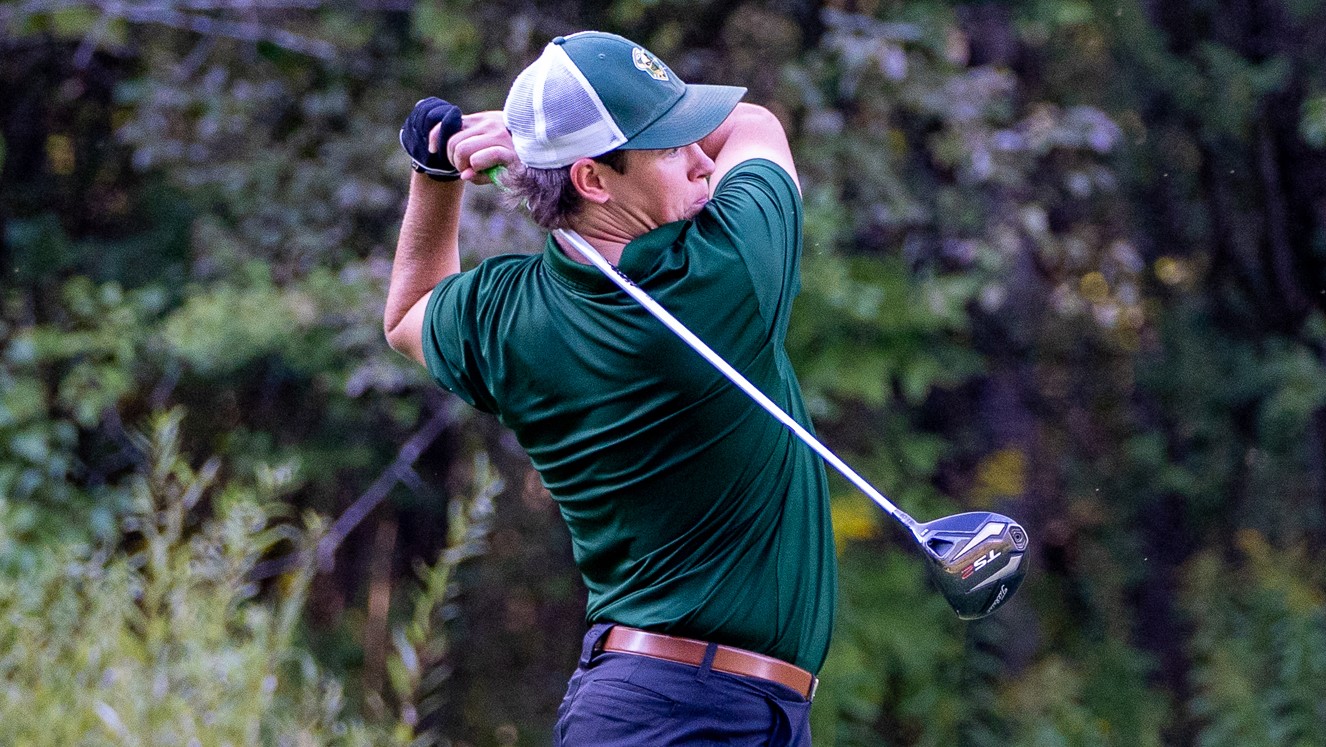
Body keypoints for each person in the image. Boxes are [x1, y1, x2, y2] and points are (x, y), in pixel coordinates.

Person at [385, 30, 835, 746]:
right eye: (669, 146)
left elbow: (409, 311)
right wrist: (525, 138)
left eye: (692, 136)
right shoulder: (727, 270)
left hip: (679, 709)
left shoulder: (510, 316)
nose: (698, 162)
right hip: (685, 715)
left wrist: (432, 175)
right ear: (593, 180)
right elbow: (755, 126)